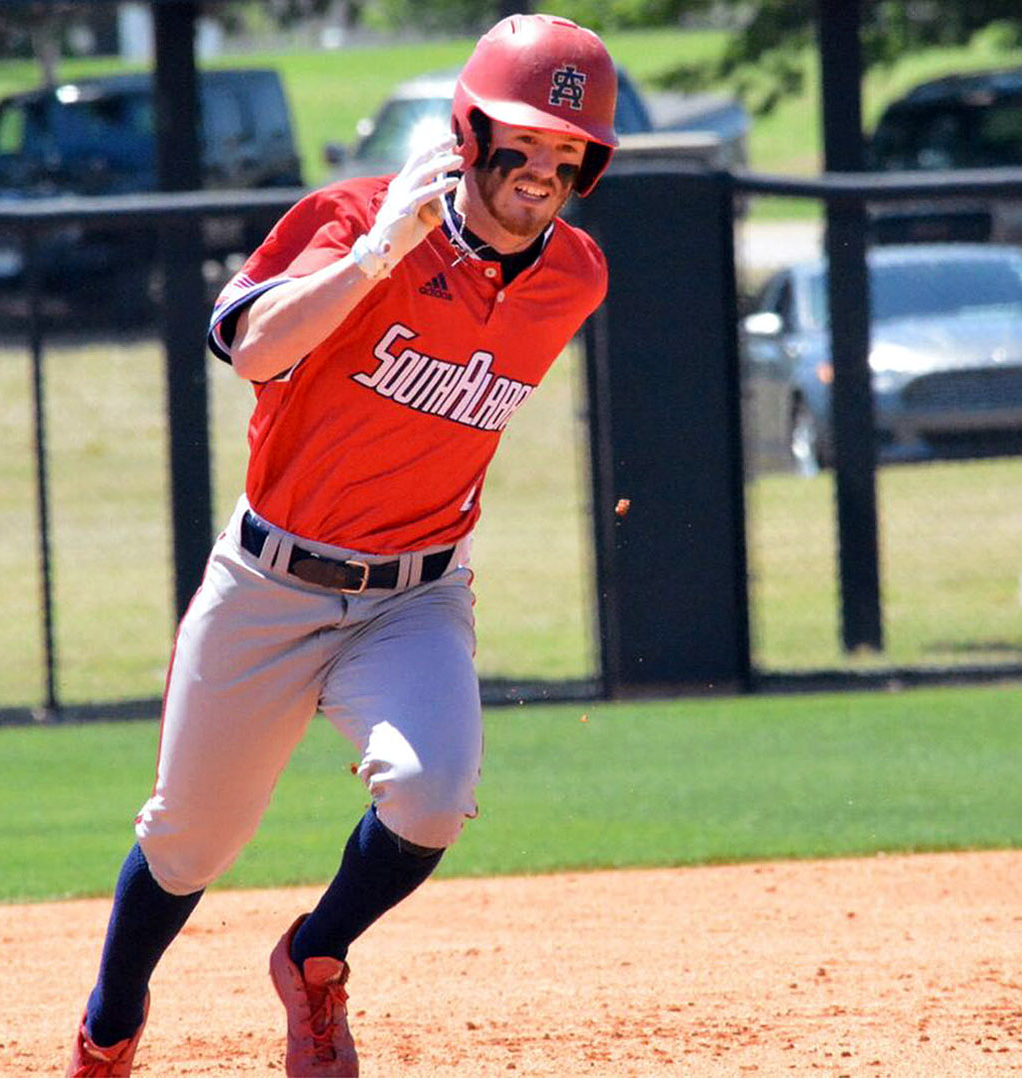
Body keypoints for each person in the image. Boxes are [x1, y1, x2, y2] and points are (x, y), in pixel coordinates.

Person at [67, 14, 618, 1078]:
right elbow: (250, 346)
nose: (543, 169)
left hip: (414, 594)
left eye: (568, 149)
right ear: (468, 133)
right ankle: (111, 1022)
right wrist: (376, 259)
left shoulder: (575, 279)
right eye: (522, 139)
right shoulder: (356, 218)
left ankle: (315, 958)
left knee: (432, 792)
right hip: (271, 581)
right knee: (191, 840)